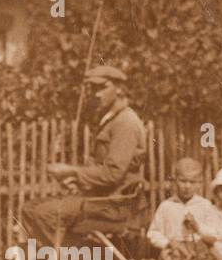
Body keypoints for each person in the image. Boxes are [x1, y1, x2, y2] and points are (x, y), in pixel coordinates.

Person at [21, 65, 147, 246]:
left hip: (114, 204)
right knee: (29, 208)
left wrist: (72, 171)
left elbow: (113, 174)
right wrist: (76, 179)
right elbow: (100, 167)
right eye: (93, 89)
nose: (96, 94)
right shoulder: (111, 119)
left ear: (120, 89)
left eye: (102, 87)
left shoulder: (125, 123)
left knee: (45, 213)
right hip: (101, 198)